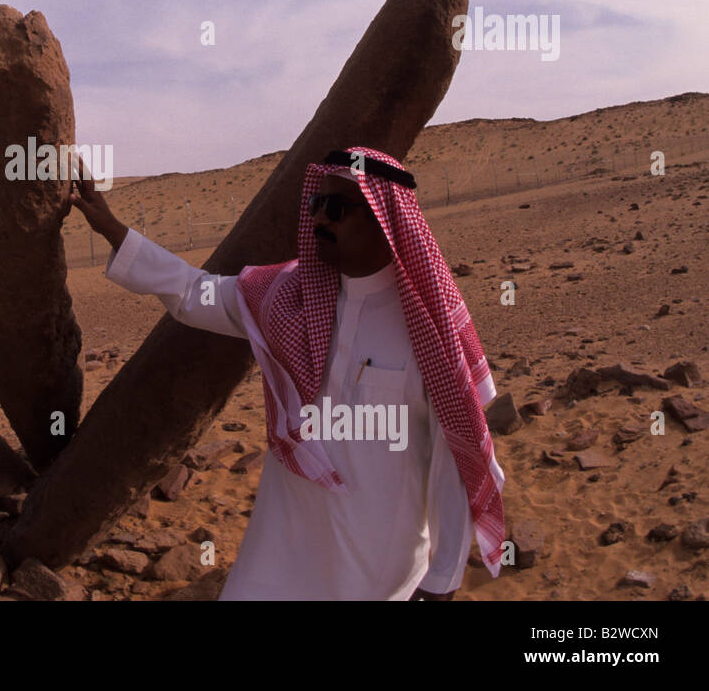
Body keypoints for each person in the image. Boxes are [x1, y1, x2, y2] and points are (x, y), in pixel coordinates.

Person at [64, 146, 505, 600]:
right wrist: (113, 229)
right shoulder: (285, 297)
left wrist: (443, 580)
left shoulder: (429, 326)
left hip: (377, 560)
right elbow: (195, 293)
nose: (320, 219)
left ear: (384, 217)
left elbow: (456, 455)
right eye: (316, 205)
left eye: (336, 208)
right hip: (284, 544)